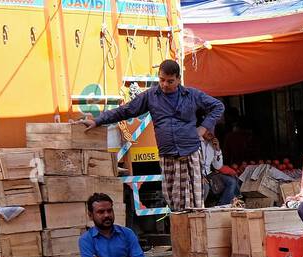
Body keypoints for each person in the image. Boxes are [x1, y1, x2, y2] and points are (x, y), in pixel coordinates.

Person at [82, 59, 223, 212]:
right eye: (162, 80)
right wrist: (97, 121)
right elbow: (125, 110)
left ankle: (195, 233)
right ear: (158, 76)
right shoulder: (150, 96)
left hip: (190, 153)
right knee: (173, 202)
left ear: (178, 79)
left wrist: (203, 128)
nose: (165, 85)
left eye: (170, 81)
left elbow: (218, 106)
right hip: (167, 155)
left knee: (194, 204)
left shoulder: (192, 95)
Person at [79, 192, 147, 257]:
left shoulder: (127, 233)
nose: (107, 215)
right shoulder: (86, 239)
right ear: (90, 215)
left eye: (109, 210)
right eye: (101, 212)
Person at [201, 130, 240, 208]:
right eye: (207, 129)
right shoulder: (195, 143)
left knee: (232, 181)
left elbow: (218, 166)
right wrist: (200, 176)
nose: (210, 132)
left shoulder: (211, 145)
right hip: (198, 175)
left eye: (212, 129)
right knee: (205, 187)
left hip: (209, 174)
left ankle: (221, 207)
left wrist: (218, 150)